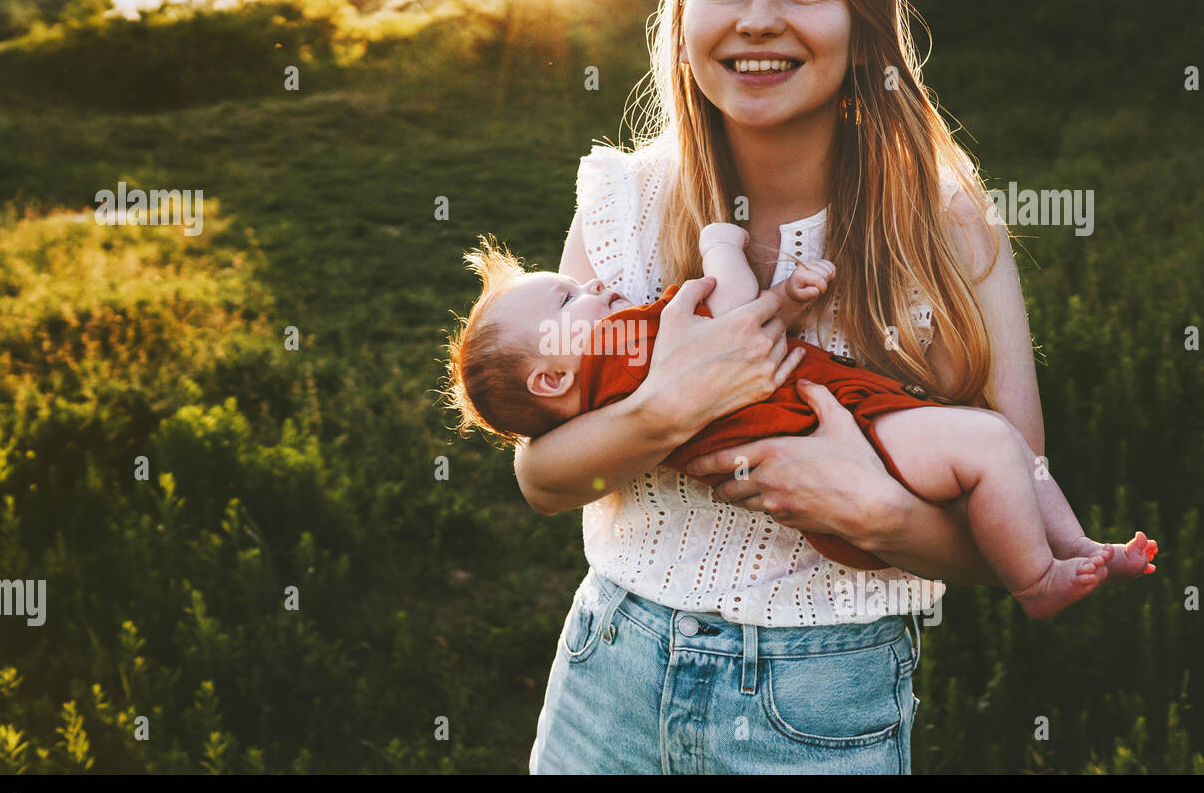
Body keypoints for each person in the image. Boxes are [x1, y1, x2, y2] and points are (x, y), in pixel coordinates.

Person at [486, 0, 1127, 773]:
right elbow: (543, 477)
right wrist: (669, 406)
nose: (757, 19)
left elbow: (1018, 482)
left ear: (863, 30)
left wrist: (881, 514)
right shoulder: (623, 204)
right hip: (610, 674)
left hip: (820, 695)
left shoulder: (940, 224)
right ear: (681, 23)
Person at [444, 228, 1156, 620]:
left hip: (843, 436)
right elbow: (730, 314)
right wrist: (722, 250)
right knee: (998, 446)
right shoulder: (621, 351)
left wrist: (784, 297)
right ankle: (1040, 580)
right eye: (569, 297)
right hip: (845, 429)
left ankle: (1073, 551)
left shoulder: (608, 366)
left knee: (1002, 454)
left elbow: (748, 335)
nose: (595, 286)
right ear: (553, 377)